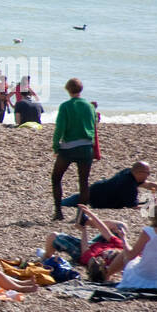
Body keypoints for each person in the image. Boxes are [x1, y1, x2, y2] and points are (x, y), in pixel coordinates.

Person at [103, 205, 157, 291]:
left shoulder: (149, 232)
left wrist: (123, 238)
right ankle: (107, 276)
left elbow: (130, 255)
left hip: (141, 279)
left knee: (124, 255)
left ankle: (106, 276)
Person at [50, 77, 97, 220]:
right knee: (84, 181)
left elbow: (60, 127)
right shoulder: (89, 106)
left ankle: (58, 212)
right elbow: (93, 125)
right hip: (86, 147)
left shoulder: (65, 106)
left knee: (56, 177)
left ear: (68, 90)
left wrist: (56, 145)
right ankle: (81, 215)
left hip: (69, 147)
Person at [43, 205, 128, 282]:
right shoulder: (119, 248)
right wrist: (91, 214)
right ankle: (86, 221)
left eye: (107, 255)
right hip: (99, 244)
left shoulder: (96, 260)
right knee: (121, 226)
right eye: (110, 252)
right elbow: (105, 231)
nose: (106, 253)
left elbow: (85, 248)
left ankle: (46, 257)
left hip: (85, 249)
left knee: (53, 236)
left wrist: (83, 230)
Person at [59, 161, 157, 210]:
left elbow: (148, 185)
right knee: (70, 203)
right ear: (139, 173)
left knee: (67, 202)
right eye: (147, 173)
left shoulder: (129, 172)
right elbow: (133, 207)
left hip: (97, 189)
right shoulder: (128, 185)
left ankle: (59, 203)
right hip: (98, 198)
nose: (148, 175)